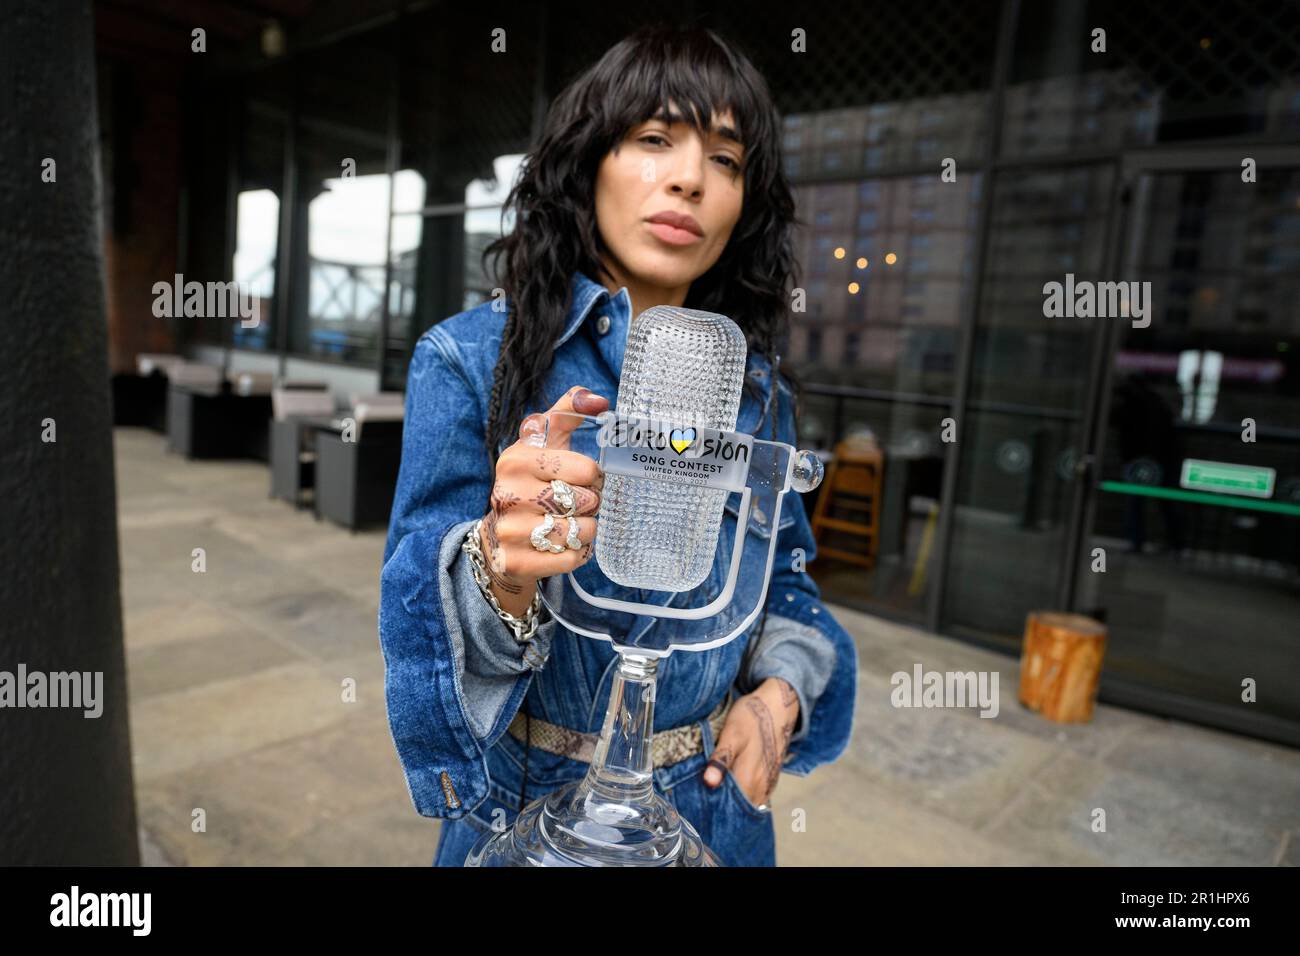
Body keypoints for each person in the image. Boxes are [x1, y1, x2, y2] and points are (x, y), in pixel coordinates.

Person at [378, 23, 858, 867]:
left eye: (727, 160)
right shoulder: (469, 360)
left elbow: (787, 579)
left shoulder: (759, 394)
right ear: (589, 163)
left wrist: (780, 694)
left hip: (714, 811)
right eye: (654, 139)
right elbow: (419, 607)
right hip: (528, 815)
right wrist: (500, 563)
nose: (688, 178)